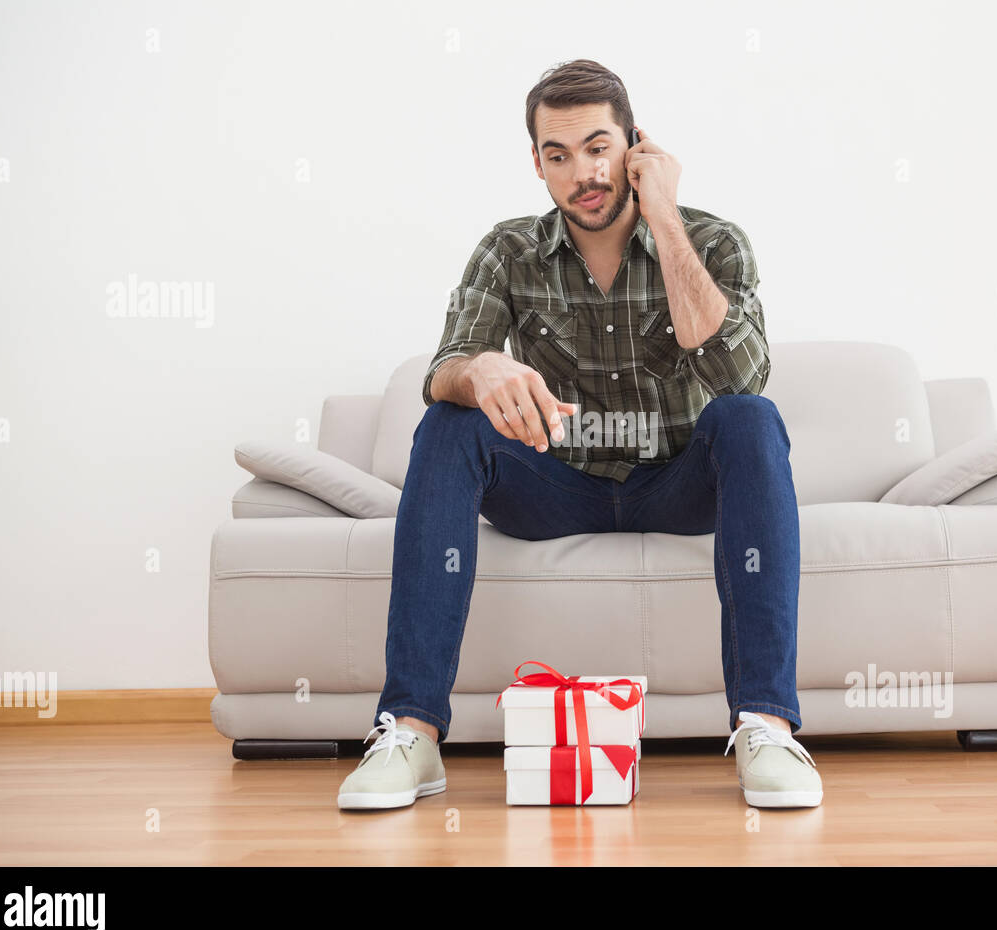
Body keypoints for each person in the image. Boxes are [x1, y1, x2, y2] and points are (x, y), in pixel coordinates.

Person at [338, 58, 821, 811]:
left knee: (749, 418)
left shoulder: (715, 243)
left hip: (677, 483)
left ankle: (766, 725)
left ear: (634, 145)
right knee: (447, 422)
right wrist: (481, 372)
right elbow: (443, 369)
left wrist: (664, 217)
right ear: (536, 164)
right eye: (557, 156)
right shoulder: (508, 250)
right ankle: (411, 732)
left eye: (598, 147)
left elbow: (743, 374)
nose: (583, 173)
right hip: (554, 486)